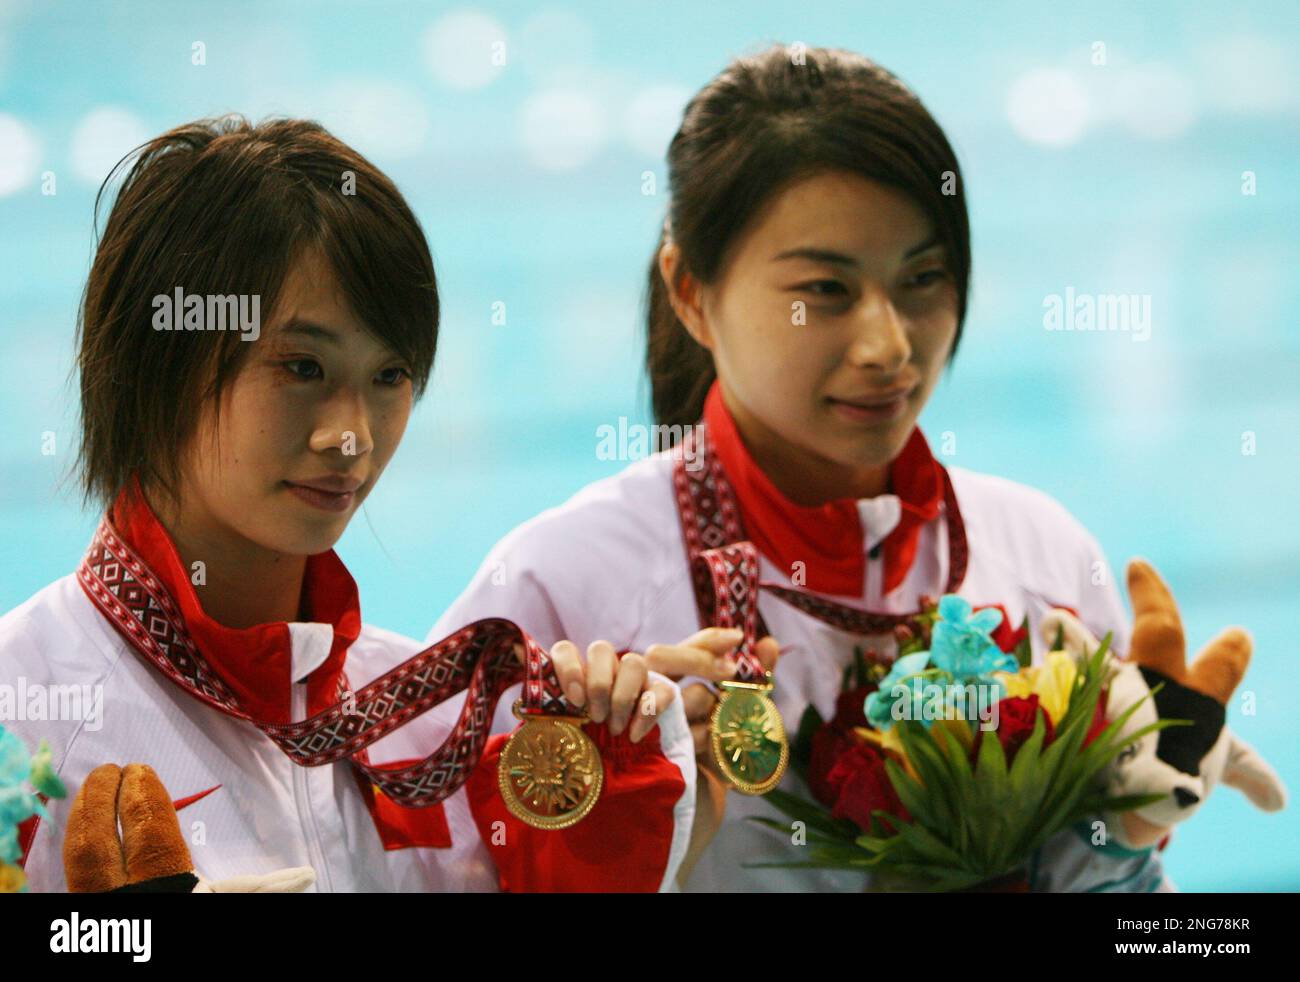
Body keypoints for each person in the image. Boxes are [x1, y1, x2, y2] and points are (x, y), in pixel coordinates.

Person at [429, 44, 1172, 892]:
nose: (888, 346)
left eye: (923, 278)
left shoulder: (1041, 555)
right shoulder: (558, 593)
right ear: (691, 293)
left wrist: (1129, 835)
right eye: (825, 289)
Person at [0, 115, 697, 893]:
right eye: (302, 366)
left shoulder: (437, 729)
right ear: (153, 356)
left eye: (390, 376)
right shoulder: (21, 710)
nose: (351, 436)